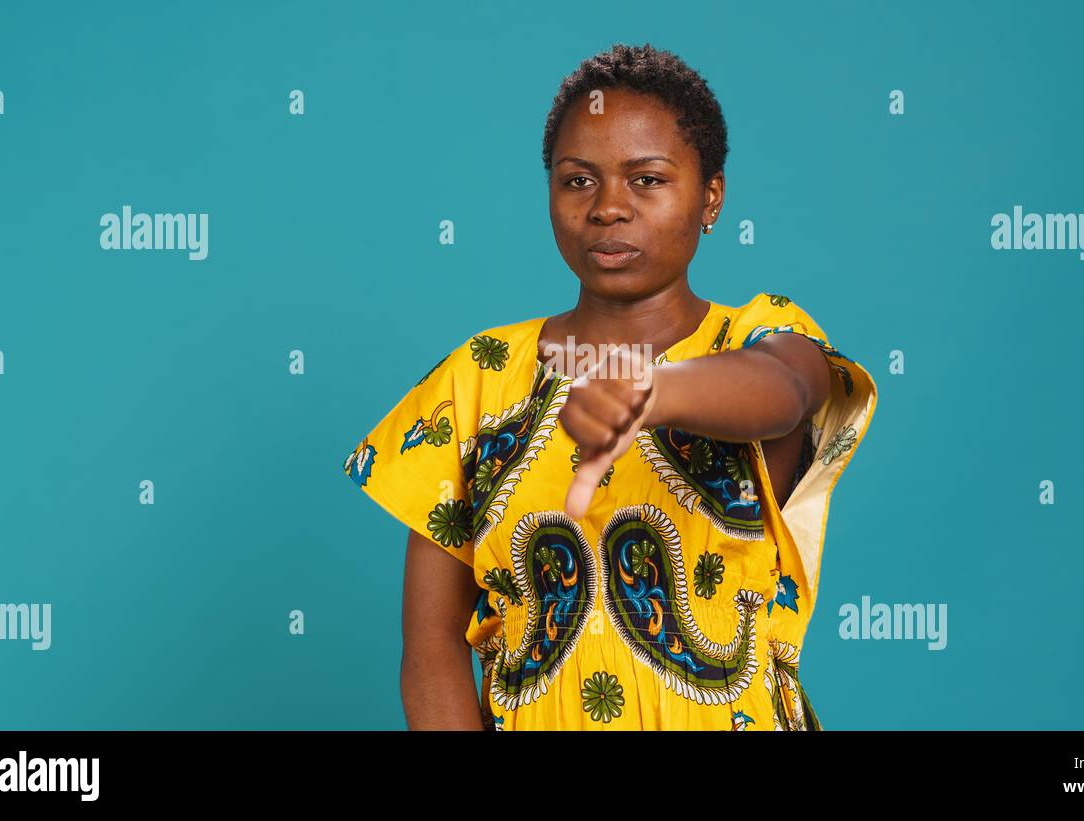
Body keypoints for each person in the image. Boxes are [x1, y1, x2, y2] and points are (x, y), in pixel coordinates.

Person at [343, 43, 878, 730]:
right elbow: (431, 647)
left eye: (648, 179)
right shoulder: (476, 375)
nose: (608, 208)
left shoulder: (758, 337)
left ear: (711, 195)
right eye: (578, 181)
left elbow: (783, 388)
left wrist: (653, 392)